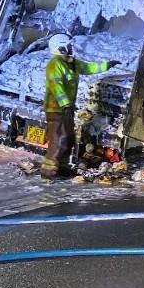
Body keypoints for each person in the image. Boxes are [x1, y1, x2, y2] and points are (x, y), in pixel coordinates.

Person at [41, 33, 121, 179]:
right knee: (58, 139)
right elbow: (56, 87)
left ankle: (62, 167)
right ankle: (48, 172)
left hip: (67, 108)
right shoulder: (54, 65)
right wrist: (65, 104)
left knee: (68, 138)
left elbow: (89, 67)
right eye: (68, 46)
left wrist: (108, 65)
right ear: (61, 49)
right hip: (56, 109)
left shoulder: (72, 63)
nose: (71, 48)